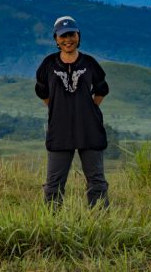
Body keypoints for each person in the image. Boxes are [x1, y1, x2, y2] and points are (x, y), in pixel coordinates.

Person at [35, 16, 110, 208]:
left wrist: (89, 109)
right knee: (53, 185)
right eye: (63, 36)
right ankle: (51, 226)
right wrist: (58, 109)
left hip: (89, 129)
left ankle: (100, 223)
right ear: (56, 39)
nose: (68, 39)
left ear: (78, 36)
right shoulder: (49, 64)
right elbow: (42, 91)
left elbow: (101, 90)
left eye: (71, 34)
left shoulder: (90, 63)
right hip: (60, 131)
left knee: (97, 182)